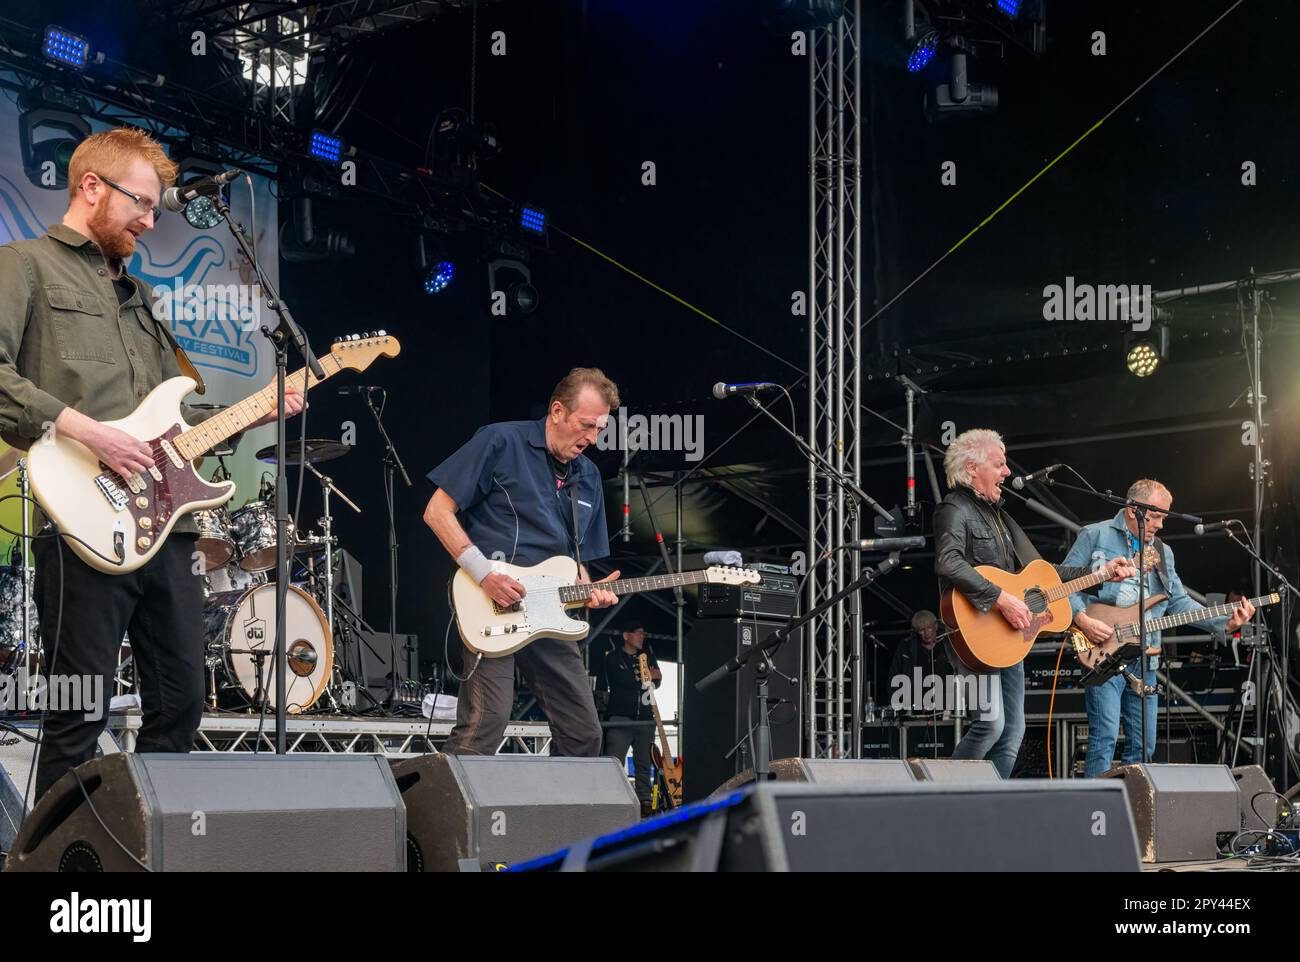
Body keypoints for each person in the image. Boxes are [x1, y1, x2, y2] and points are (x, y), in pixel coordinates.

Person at [0, 127, 303, 799]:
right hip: (81, 521)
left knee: (182, 704)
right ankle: (47, 863)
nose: (148, 219)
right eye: (140, 204)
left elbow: (177, 426)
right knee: (77, 716)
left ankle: (143, 849)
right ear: (90, 187)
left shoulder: (143, 302)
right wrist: (89, 431)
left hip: (168, 531)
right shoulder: (23, 265)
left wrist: (257, 409)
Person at [424, 368, 621, 756]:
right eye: (586, 426)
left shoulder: (589, 476)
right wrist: (485, 576)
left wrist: (589, 589)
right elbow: (436, 512)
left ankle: (558, 817)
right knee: (486, 725)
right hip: (493, 601)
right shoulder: (501, 440)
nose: (592, 439)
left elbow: (576, 558)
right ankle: (438, 814)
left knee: (584, 732)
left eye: (599, 429)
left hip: (550, 608)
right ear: (558, 411)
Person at [932, 429, 1133, 779]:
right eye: (999, 464)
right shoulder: (954, 507)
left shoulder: (999, 517)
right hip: (974, 632)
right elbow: (948, 562)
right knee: (990, 726)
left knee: (1013, 733)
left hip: (1012, 637)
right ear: (972, 467)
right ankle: (939, 797)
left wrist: (1098, 574)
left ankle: (985, 807)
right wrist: (1000, 598)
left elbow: (1041, 573)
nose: (1008, 472)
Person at [1063, 479, 1254, 776]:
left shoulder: (1163, 552)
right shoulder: (1095, 535)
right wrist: (1082, 620)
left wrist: (1225, 622)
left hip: (1145, 657)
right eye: (1156, 516)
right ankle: (1092, 814)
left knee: (1144, 747)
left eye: (1164, 517)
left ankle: (1132, 817)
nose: (1161, 525)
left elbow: (1178, 603)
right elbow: (1063, 584)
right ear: (1132, 511)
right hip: (1104, 653)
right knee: (1104, 739)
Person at [596, 621, 662, 816]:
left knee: (644, 763)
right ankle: (612, 799)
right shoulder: (613, 657)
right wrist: (646, 676)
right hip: (620, 717)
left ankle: (645, 801)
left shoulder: (648, 655)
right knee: (615, 760)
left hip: (645, 717)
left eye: (643, 633)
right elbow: (621, 680)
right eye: (638, 633)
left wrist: (649, 677)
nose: (642, 637)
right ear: (626, 636)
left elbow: (657, 680)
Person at [886, 610, 953, 713]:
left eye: (929, 628)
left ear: (935, 626)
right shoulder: (906, 647)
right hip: (914, 708)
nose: (926, 633)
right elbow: (894, 676)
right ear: (916, 631)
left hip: (944, 707)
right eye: (921, 630)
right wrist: (897, 706)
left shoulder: (948, 645)